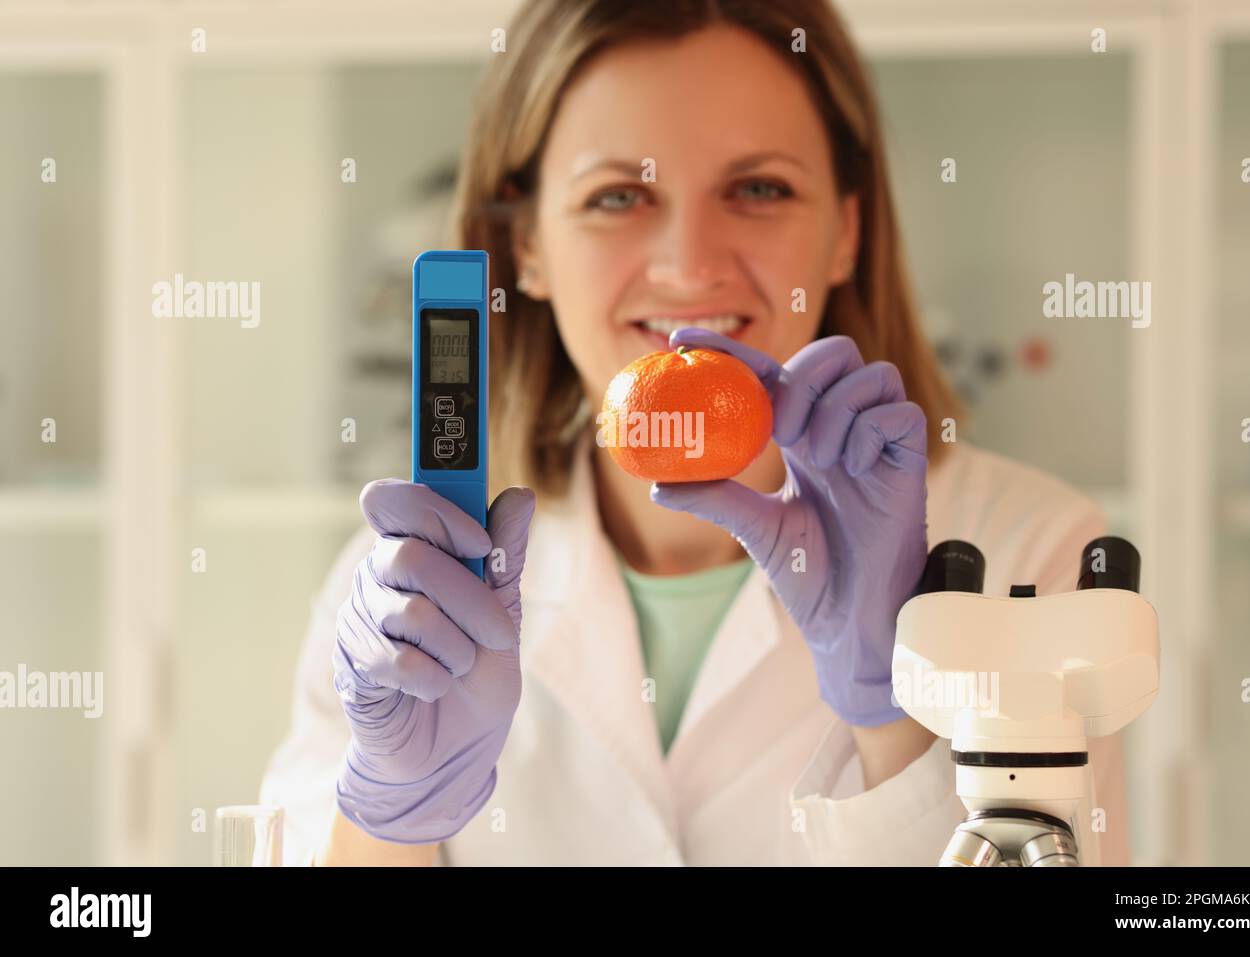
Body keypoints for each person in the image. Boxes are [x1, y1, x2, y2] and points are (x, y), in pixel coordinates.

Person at [259, 0, 1130, 866]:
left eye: (759, 188)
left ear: (846, 232)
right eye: (618, 196)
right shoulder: (406, 602)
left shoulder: (1030, 553)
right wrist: (392, 813)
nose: (688, 264)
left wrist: (891, 711)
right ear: (525, 248)